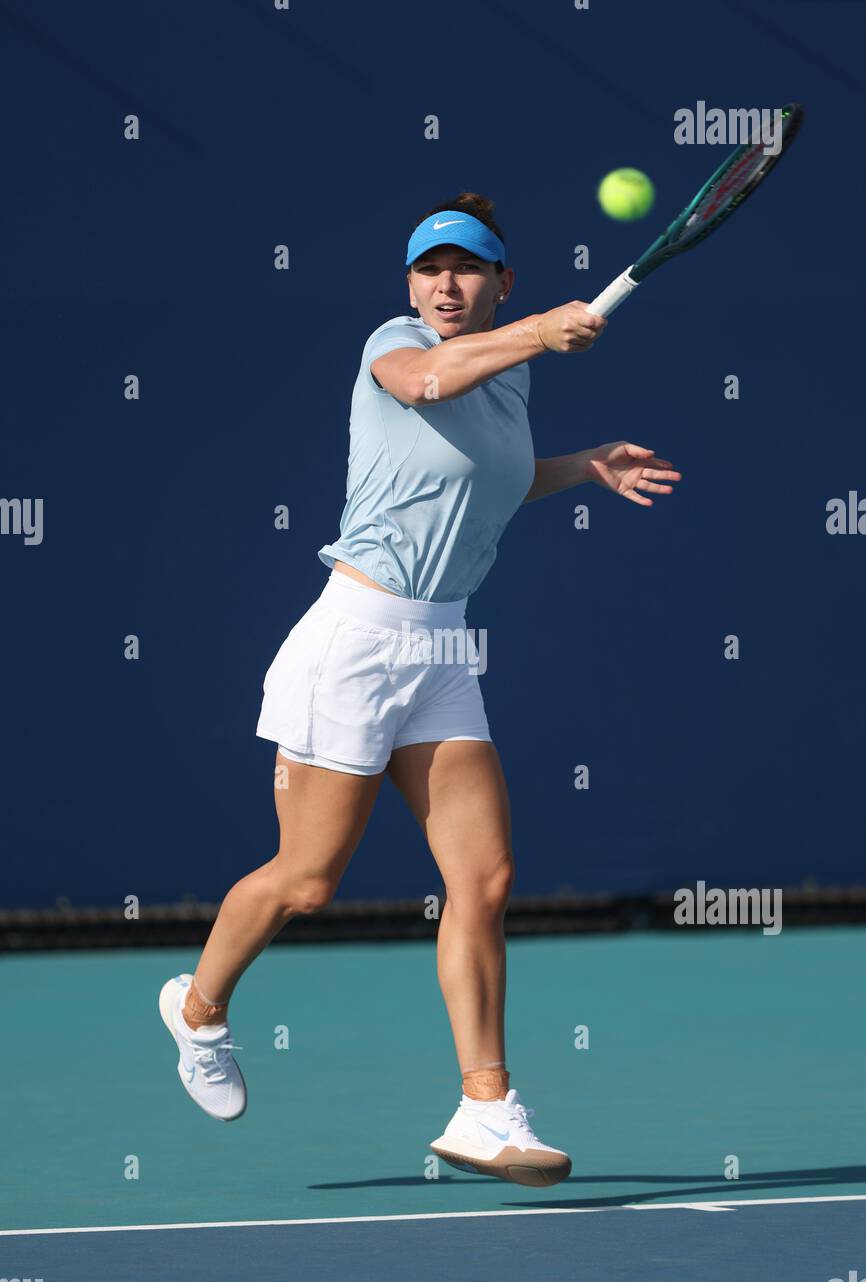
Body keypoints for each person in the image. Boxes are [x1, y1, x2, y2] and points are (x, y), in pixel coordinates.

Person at [159, 191, 681, 1188]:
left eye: (467, 269)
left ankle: (484, 1109)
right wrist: (534, 333)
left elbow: (490, 477)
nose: (445, 285)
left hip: (441, 651)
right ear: (409, 286)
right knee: (308, 881)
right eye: (429, 269)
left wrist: (582, 467)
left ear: (499, 280)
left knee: (481, 879)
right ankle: (198, 1009)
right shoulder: (394, 348)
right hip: (351, 642)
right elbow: (431, 384)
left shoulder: (510, 386)